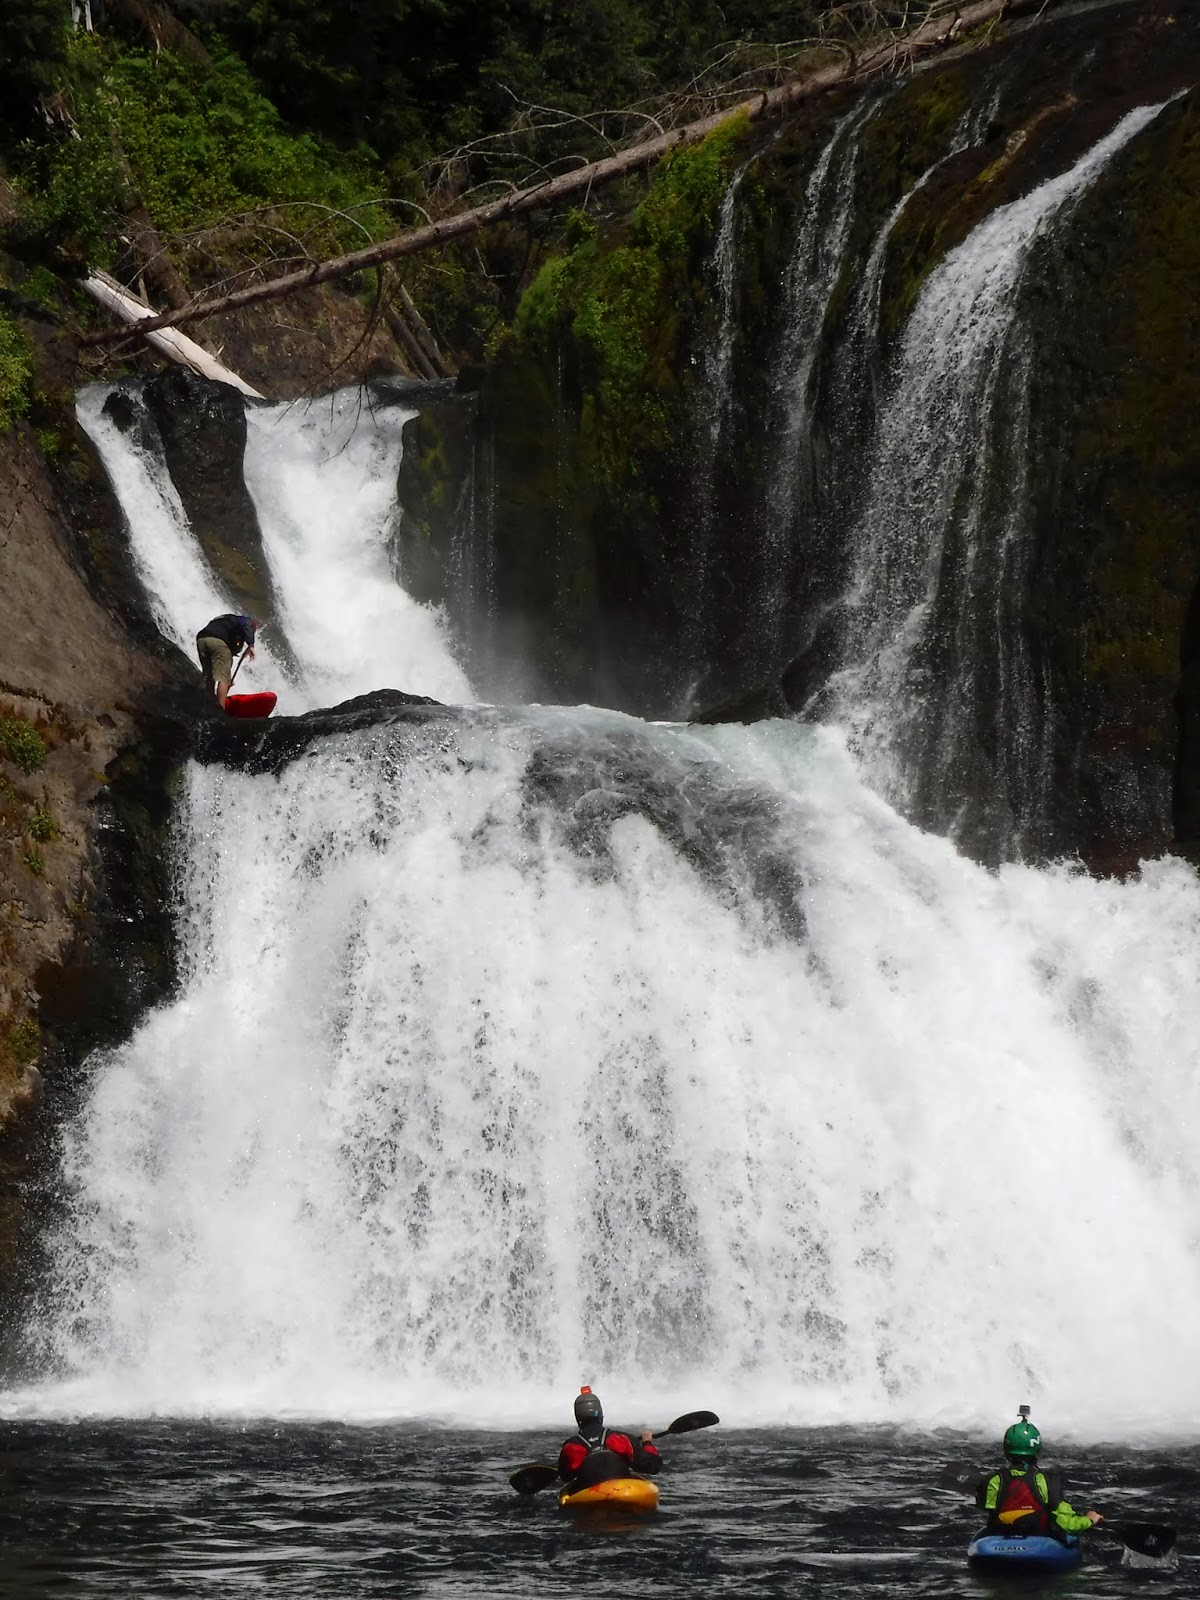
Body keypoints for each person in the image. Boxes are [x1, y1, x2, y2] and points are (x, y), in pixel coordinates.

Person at [978, 1407, 1102, 1543]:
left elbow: (983, 1506)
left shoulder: (993, 1480)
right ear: (1037, 1447)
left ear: (1006, 1448)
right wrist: (1089, 1519)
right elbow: (1068, 1524)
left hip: (999, 1541)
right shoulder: (1047, 1481)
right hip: (1039, 1539)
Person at [557, 1386, 661, 1491]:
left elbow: (565, 1476)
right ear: (600, 1415)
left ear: (578, 1418)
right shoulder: (621, 1439)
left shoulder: (571, 1447)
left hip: (590, 1497)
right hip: (622, 1492)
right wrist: (647, 1442)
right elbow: (651, 1465)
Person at [196, 614, 258, 709]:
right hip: (218, 642)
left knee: (209, 676)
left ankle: (209, 705)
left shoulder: (226, 620)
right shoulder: (245, 620)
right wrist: (251, 645)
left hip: (202, 640)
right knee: (223, 679)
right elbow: (247, 625)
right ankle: (221, 709)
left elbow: (230, 650)